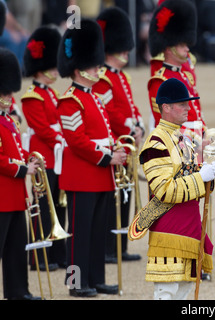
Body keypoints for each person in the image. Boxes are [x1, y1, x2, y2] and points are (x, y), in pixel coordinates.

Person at [129, 78, 215, 300]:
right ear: (166, 108)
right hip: (169, 229)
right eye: (182, 104)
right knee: (167, 292)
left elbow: (186, 174)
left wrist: (205, 173)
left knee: (184, 290)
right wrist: (200, 178)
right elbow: (164, 190)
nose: (188, 108)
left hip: (189, 226)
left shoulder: (183, 138)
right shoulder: (156, 143)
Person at [56, 18, 128, 297]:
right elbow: (77, 141)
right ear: (79, 68)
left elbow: (104, 133)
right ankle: (76, 283)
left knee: (98, 232)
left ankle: (96, 279)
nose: (98, 68)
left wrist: (117, 148)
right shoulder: (70, 100)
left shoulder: (93, 97)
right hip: (83, 175)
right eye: (93, 64)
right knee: (80, 234)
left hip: (101, 175)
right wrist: (107, 157)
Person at [93, 6, 144, 264]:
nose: (127, 51)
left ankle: (121, 246)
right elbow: (108, 112)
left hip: (127, 145)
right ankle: (109, 248)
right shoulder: (102, 77)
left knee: (125, 196)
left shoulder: (121, 77)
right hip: (115, 145)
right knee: (115, 197)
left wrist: (139, 125)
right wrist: (129, 127)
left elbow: (131, 106)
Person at [21, 25, 67, 272]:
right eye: (52, 66)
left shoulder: (51, 93)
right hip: (44, 158)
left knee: (59, 205)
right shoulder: (32, 97)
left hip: (58, 157)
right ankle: (39, 257)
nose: (56, 71)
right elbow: (42, 129)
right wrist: (62, 138)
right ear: (41, 68)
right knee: (43, 209)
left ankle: (58, 253)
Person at [0, 47, 41, 300]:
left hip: (15, 195)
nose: (9, 96)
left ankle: (18, 291)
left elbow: (16, 150)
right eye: (5, 92)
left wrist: (30, 160)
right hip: (3, 194)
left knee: (16, 248)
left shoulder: (9, 120)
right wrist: (24, 168)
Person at [147, 0, 205, 147]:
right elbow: (164, 122)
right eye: (181, 45)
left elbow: (196, 112)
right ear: (168, 47)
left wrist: (204, 133)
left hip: (195, 144)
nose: (187, 48)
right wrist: (195, 140)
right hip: (178, 147)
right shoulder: (160, 80)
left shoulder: (186, 77)